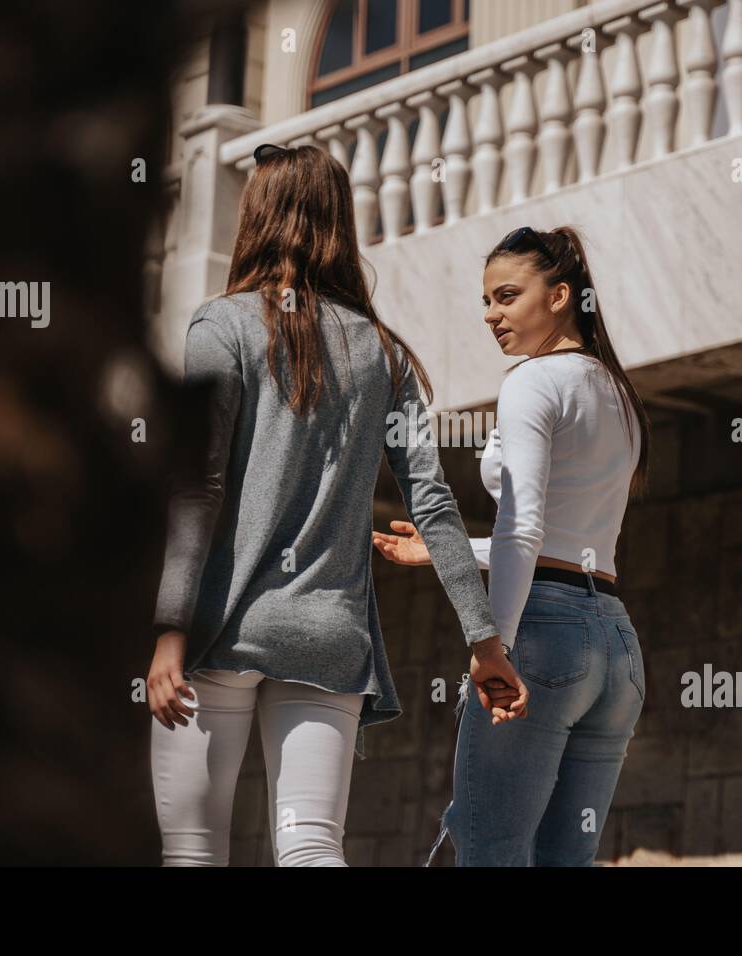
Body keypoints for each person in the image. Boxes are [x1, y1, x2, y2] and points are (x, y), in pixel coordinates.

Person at [146, 144, 527, 867]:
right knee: (312, 848)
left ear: (258, 217)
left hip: (220, 630)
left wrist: (170, 628)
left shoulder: (219, 327)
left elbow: (199, 487)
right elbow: (435, 503)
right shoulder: (384, 356)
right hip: (329, 635)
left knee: (192, 852)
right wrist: (484, 642)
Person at [374, 224, 650, 866]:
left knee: (491, 851)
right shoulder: (617, 391)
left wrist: (489, 641)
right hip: (615, 644)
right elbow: (567, 535)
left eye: (506, 296)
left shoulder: (532, 381)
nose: (491, 316)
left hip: (543, 637)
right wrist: (451, 550)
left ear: (559, 296)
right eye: (485, 302)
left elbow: (524, 528)